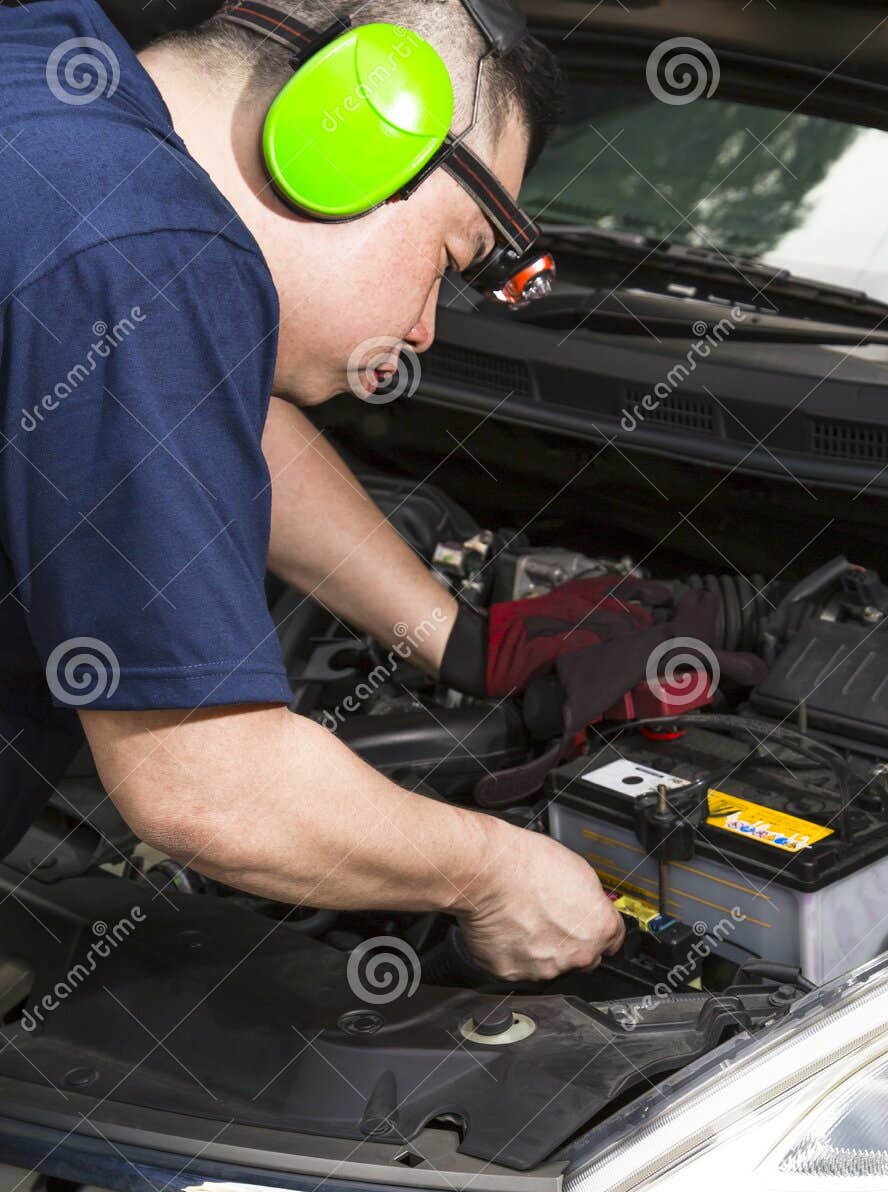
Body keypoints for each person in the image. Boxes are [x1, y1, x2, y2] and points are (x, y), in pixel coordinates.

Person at [0, 0, 624, 979]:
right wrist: (496, 873)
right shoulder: (146, 250)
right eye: (449, 264)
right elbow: (206, 786)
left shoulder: (46, 81)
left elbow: (191, 411)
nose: (423, 330)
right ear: (346, 144)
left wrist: (455, 635)